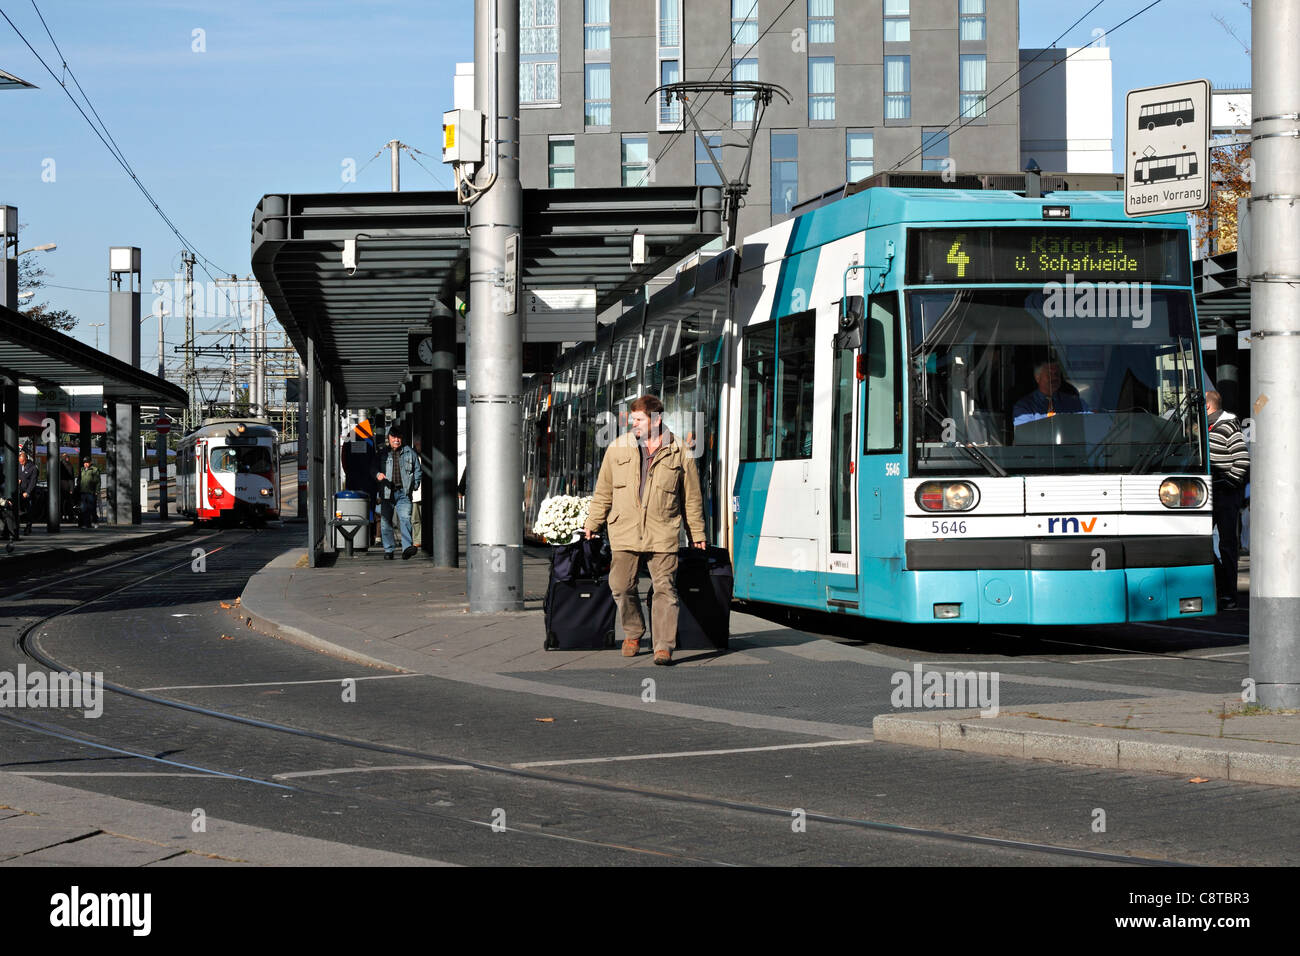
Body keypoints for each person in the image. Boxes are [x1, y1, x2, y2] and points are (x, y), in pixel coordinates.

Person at [584, 394, 706, 666]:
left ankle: (663, 646)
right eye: (632, 419)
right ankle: (634, 631)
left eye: (639, 419)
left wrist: (697, 533)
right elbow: (603, 491)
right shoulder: (617, 448)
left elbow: (691, 498)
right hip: (624, 530)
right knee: (620, 586)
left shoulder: (680, 453)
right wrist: (593, 523)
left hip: (662, 531)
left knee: (665, 588)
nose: (633, 423)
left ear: (657, 419)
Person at [1206, 390, 1249, 610]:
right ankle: (1222, 586)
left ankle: (1228, 594)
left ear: (1207, 407)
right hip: (1209, 496)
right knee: (1202, 542)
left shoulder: (1228, 426)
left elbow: (1242, 460)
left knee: (1227, 545)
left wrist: (1227, 484)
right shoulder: (1206, 428)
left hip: (1224, 496)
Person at [375, 428, 420, 560]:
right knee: (385, 522)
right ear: (389, 438)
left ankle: (407, 549)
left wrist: (415, 484)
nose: (396, 440)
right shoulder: (382, 453)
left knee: (405, 519)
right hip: (386, 493)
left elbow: (417, 470)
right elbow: (373, 468)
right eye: (394, 437)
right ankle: (389, 550)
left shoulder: (409, 452)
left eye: (399, 437)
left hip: (403, 493)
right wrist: (377, 474)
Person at [1013, 360, 1089, 427]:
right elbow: (1025, 435)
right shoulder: (1025, 406)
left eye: (1057, 374)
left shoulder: (1075, 403)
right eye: (1049, 374)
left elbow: (1090, 423)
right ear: (1037, 378)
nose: (1054, 378)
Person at [16, 449, 38, 534]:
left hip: (28, 492)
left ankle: (28, 527)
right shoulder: (18, 465)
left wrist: (28, 492)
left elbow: (33, 481)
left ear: (25, 459)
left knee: (29, 510)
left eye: (22, 462)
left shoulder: (32, 468)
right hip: (19, 491)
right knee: (19, 509)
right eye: (20, 462)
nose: (21, 463)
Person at [79, 457, 102, 529]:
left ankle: (95, 521)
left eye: (87, 462)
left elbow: (97, 482)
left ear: (90, 462)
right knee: (84, 509)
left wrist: (97, 491)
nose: (85, 464)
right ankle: (87, 524)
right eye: (84, 463)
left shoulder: (94, 470)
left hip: (91, 492)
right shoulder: (82, 470)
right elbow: (80, 479)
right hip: (83, 492)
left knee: (92, 508)